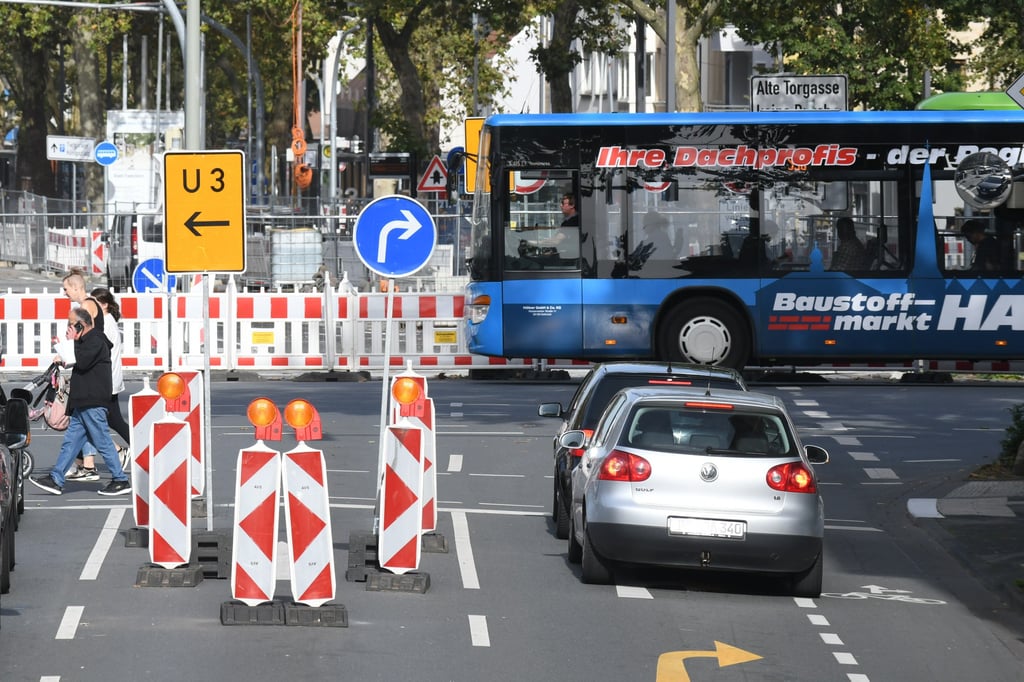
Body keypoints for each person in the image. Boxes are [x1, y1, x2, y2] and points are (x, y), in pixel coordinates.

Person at [29, 307, 132, 496]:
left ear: (81, 325)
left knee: (102, 441)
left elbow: (82, 361)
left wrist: (71, 342)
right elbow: (77, 360)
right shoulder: (86, 341)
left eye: (71, 324)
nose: (68, 327)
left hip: (92, 401)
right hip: (83, 402)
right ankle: (56, 478)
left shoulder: (96, 340)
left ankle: (120, 479)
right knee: (71, 442)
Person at [65, 288, 132, 482]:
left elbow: (98, 351)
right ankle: (84, 464)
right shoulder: (105, 321)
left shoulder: (106, 323)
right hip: (106, 380)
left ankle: (98, 461)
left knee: (99, 421)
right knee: (93, 421)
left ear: (103, 305)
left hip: (105, 381)